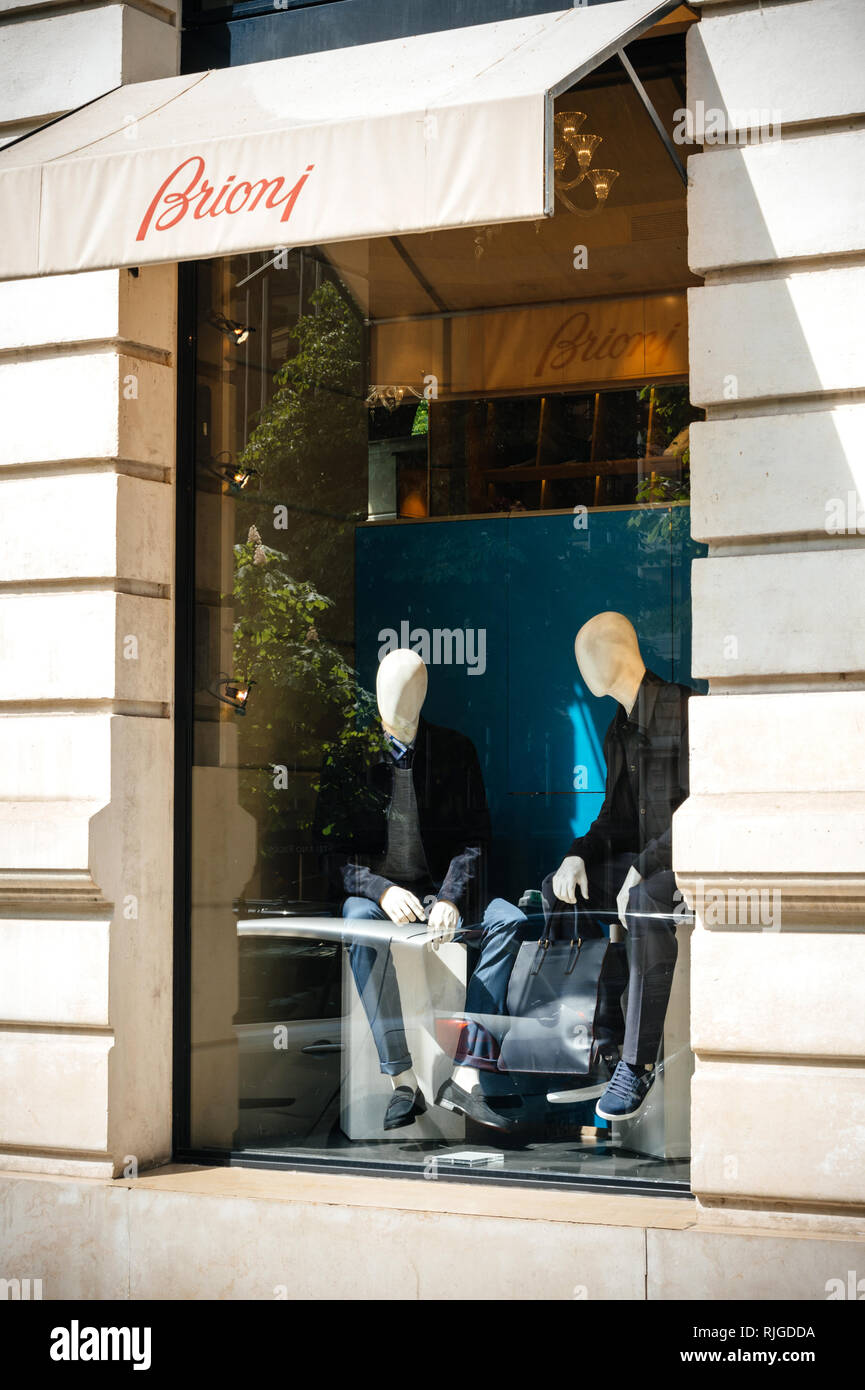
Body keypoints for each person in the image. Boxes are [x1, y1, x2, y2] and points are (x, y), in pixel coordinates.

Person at [314, 649, 526, 1132]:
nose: (398, 698)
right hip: (375, 896)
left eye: (410, 687)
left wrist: (450, 896)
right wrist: (381, 889)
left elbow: (476, 839)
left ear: (424, 692)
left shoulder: (455, 750)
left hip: (436, 891)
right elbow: (330, 852)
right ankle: (401, 1079)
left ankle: (467, 1073)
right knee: (359, 924)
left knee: (508, 920)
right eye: (389, 687)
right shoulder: (348, 757)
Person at [542, 612, 692, 1121]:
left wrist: (641, 869)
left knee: (648, 900)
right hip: (647, 865)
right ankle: (595, 1038)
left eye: (587, 653)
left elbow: (700, 811)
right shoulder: (617, 730)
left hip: (690, 864)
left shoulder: (683, 709)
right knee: (560, 888)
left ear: (616, 652)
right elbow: (615, 820)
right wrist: (576, 856)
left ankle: (637, 1061)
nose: (581, 666)